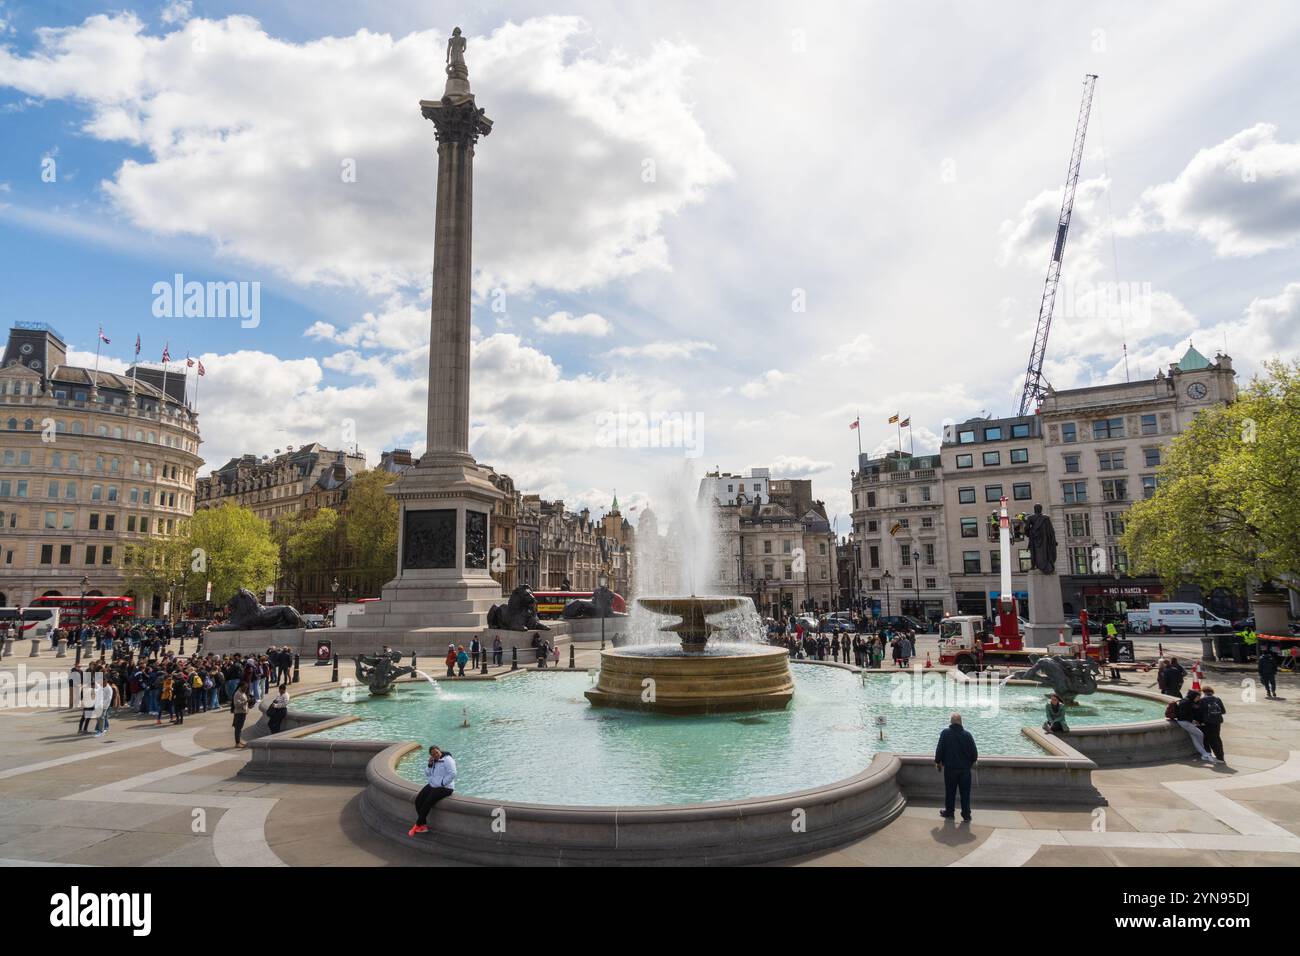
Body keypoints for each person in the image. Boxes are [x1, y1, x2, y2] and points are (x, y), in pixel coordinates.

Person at [934, 712, 978, 821]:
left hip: (950, 769)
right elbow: (974, 754)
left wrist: (938, 762)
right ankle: (966, 815)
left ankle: (949, 812)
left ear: (951, 722)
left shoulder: (945, 733)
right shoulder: (967, 735)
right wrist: (970, 763)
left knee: (950, 792)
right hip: (965, 770)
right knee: (965, 793)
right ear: (961, 722)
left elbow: (939, 750)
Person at [409, 745, 457, 836]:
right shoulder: (434, 761)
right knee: (418, 800)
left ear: (440, 751)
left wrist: (442, 783)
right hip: (433, 784)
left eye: (436, 752)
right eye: (433, 754)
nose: (435, 755)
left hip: (445, 788)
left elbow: (453, 773)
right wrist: (430, 765)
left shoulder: (448, 760)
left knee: (427, 802)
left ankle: (417, 825)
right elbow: (427, 774)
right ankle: (423, 826)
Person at [1171, 690, 1215, 764]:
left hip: (1185, 721)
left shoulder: (1186, 701)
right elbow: (1183, 714)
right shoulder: (1186, 702)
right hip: (1184, 722)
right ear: (1193, 696)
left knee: (1195, 736)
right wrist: (1192, 720)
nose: (1198, 699)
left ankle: (1203, 753)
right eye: (1198, 697)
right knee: (1200, 734)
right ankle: (1203, 753)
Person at [1198, 686, 1226, 764]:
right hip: (1218, 721)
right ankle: (1220, 755)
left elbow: (1199, 712)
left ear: (1203, 692)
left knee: (1212, 740)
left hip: (1208, 722)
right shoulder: (1217, 699)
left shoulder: (1202, 700)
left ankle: (1218, 757)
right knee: (1217, 738)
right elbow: (1223, 711)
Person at [232, 681, 251, 749]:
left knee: (239, 728)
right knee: (238, 728)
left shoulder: (242, 693)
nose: (246, 689)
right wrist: (246, 701)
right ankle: (237, 743)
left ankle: (239, 741)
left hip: (242, 712)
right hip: (239, 713)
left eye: (246, 688)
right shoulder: (237, 694)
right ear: (241, 687)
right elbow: (236, 705)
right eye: (245, 687)